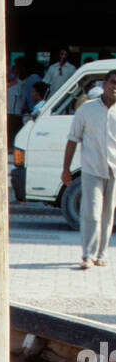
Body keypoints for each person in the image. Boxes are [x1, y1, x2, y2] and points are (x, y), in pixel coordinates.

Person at [62, 69, 116, 271]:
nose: (115, 87)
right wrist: (65, 169)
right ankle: (87, 255)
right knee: (91, 213)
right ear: (104, 83)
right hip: (92, 169)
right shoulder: (86, 110)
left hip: (114, 171)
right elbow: (72, 139)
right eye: (113, 82)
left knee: (108, 214)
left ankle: (102, 254)